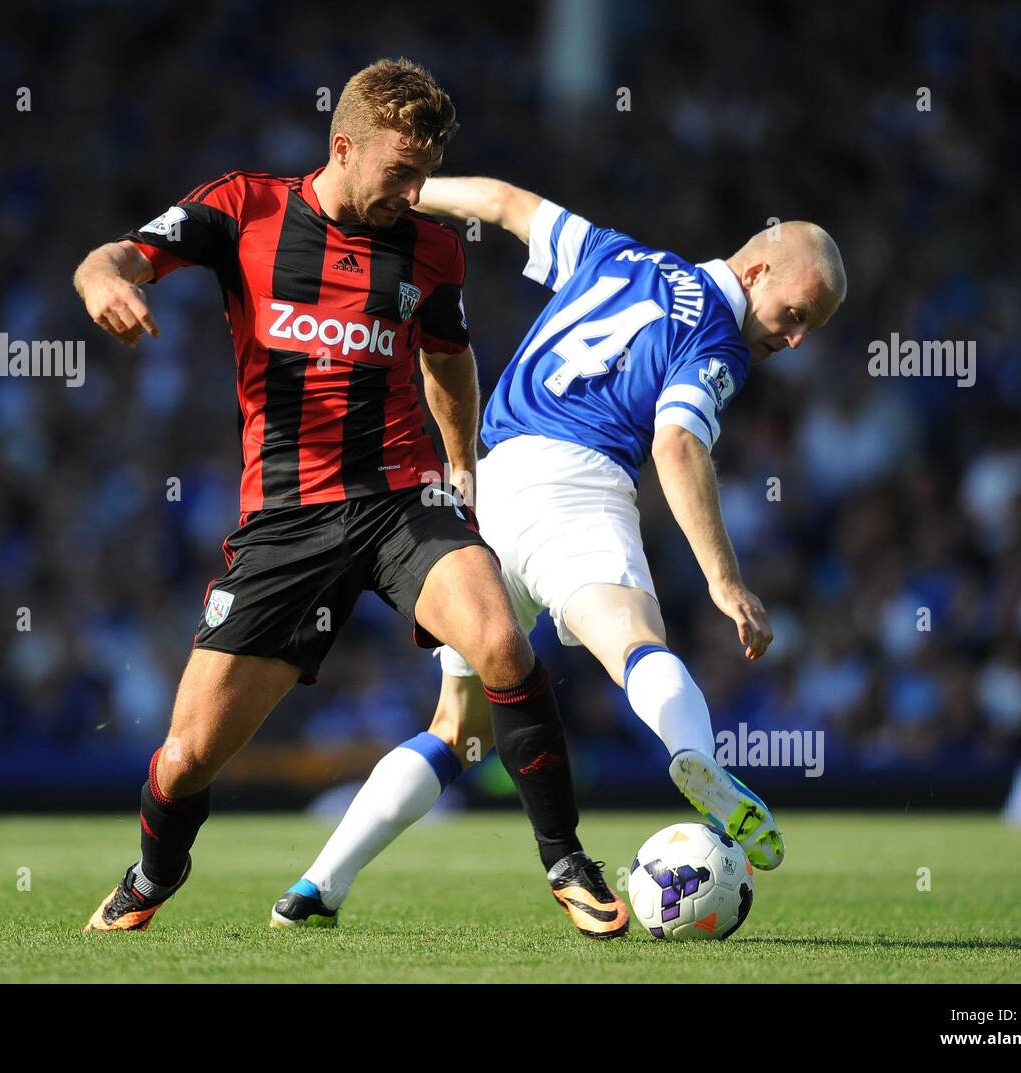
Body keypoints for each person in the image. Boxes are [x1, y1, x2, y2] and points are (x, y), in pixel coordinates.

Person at [75, 61, 626, 939]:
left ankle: (565, 858)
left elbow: (446, 356)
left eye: (425, 173)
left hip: (401, 497)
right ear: (343, 147)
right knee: (183, 761)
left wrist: (461, 465)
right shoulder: (244, 207)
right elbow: (118, 255)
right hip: (286, 521)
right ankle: (152, 871)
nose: (413, 192)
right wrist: (103, 281)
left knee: (500, 641)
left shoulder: (430, 246)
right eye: (400, 172)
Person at [274, 175, 846, 931]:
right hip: (577, 487)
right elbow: (676, 444)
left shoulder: (613, 253)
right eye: (797, 315)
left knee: (459, 727)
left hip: (486, 487)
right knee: (636, 640)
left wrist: (407, 188)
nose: (795, 337)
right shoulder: (716, 334)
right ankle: (698, 757)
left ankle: (318, 884)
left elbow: (503, 204)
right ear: (756, 272)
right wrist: (724, 578)